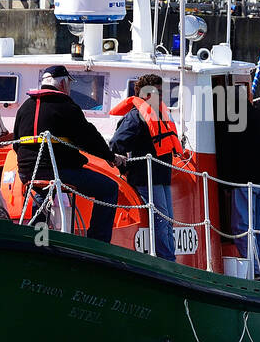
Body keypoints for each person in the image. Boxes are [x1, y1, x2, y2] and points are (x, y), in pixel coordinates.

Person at [13, 65, 121, 242]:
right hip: (57, 172)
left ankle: (37, 239)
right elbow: (89, 137)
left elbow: (16, 145)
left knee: (42, 191)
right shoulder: (66, 106)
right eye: (69, 84)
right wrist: (112, 157)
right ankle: (98, 242)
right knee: (109, 189)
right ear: (63, 84)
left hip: (27, 172)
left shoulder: (24, 108)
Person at [109, 73, 182, 261]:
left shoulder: (159, 114)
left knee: (167, 219)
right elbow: (117, 142)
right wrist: (123, 166)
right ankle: (166, 259)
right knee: (161, 217)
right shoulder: (135, 116)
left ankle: (169, 256)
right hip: (146, 176)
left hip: (161, 175)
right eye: (157, 92)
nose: (161, 96)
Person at [215, 82, 260, 278]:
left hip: (243, 182)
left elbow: (226, 152)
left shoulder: (233, 120)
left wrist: (224, 181)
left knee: (242, 227)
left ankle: (254, 269)